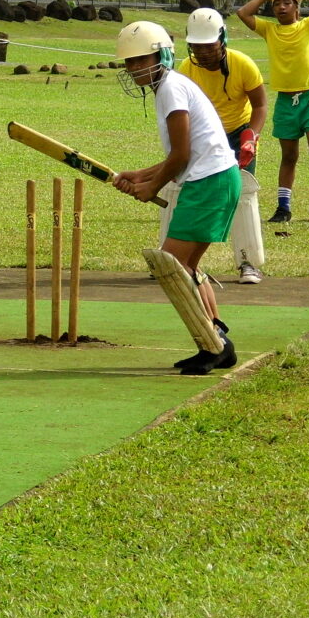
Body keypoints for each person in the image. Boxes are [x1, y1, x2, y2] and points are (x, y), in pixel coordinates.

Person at [112, 20, 242, 375]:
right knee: (185, 267)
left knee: (171, 265)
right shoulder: (170, 86)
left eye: (142, 59)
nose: (136, 68)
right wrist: (141, 175)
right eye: (130, 62)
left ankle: (212, 344)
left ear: (162, 55)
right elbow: (182, 155)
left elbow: (182, 156)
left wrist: (151, 188)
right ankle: (216, 342)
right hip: (214, 179)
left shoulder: (170, 88)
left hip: (211, 182)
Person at [157, 8, 268, 284]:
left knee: (242, 194)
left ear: (223, 39)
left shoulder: (243, 64)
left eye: (208, 46)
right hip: (203, 139)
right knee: (180, 192)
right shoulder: (185, 69)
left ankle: (248, 263)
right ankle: (169, 260)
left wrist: (251, 137)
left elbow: (261, 105)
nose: (203, 52)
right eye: (196, 46)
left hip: (237, 134)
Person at [236, 0, 309, 223]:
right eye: (276, 4)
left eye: (287, 3)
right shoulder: (269, 30)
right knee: (289, 156)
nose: (281, 7)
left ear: (296, 8)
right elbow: (243, 13)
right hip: (285, 100)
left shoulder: (308, 25)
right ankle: (283, 207)